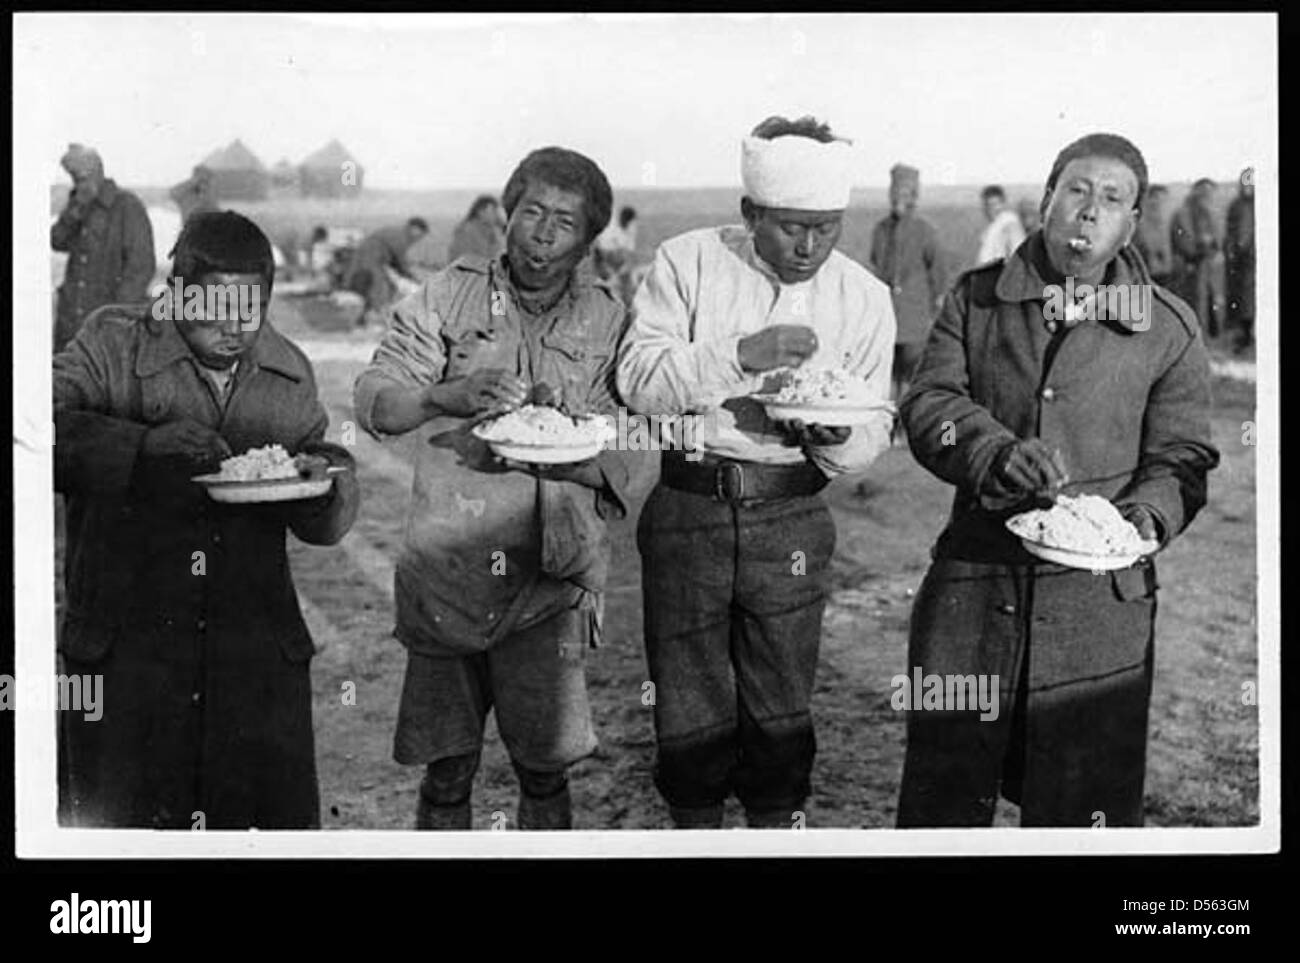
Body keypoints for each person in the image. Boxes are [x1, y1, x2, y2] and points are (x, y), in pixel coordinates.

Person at [896, 133, 1219, 827]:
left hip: (1098, 612)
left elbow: (1184, 456)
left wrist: (1142, 519)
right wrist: (990, 453)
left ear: (1132, 222)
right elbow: (928, 407)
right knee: (943, 802)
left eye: (1112, 199)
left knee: (1084, 810)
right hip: (975, 592)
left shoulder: (1169, 328)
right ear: (1046, 200)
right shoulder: (976, 299)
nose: (1089, 211)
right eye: (1077, 190)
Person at [617, 116, 896, 829]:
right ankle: (696, 833)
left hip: (792, 515)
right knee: (686, 702)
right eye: (791, 228)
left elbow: (875, 422)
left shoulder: (863, 295)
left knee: (781, 705)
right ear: (750, 213)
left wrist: (837, 436)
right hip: (690, 505)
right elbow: (639, 383)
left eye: (826, 229)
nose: (809, 248)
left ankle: (774, 832)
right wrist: (742, 354)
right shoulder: (688, 263)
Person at [353, 147, 630, 831]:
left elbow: (631, 445)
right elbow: (377, 400)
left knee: (545, 768)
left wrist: (574, 434)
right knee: (447, 769)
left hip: (550, 581)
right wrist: (443, 394)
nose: (543, 234)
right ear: (507, 215)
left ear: (588, 240)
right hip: (448, 571)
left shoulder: (607, 317)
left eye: (565, 222)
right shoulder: (451, 293)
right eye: (532, 212)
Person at [53, 211, 360, 828]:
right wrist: (141, 447)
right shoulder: (111, 345)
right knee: (124, 826)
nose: (235, 327)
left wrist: (320, 482)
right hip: (130, 651)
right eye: (215, 306)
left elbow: (324, 490)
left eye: (253, 308)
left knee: (254, 826)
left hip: (250, 655)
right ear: (175, 293)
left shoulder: (287, 370)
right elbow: (35, 427)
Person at [51, 143, 156, 352]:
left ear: (96, 173)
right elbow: (57, 240)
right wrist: (75, 210)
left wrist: (115, 318)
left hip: (109, 328)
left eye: (81, 177)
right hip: (70, 325)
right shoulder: (78, 204)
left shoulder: (127, 206)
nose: (78, 184)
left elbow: (141, 269)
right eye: (74, 178)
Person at [868, 164, 948, 412]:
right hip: (888, 313)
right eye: (894, 192)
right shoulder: (881, 230)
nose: (898, 199)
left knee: (912, 371)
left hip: (915, 315)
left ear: (914, 196)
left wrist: (936, 310)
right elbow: (876, 265)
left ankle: (910, 418)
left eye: (904, 193)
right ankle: (889, 419)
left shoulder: (926, 231)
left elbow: (938, 274)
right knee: (887, 371)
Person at [343, 217, 430, 326]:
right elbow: (400, 261)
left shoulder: (398, 234)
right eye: (420, 234)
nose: (419, 238)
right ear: (414, 229)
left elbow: (395, 262)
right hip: (371, 259)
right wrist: (412, 277)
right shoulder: (401, 237)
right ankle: (376, 317)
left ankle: (366, 317)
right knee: (379, 289)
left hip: (372, 260)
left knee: (381, 288)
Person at [1170, 178, 1221, 336]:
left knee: (1206, 300)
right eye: (1203, 191)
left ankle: (1205, 333)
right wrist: (1195, 251)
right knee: (1192, 300)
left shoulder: (1209, 213)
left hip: (1206, 264)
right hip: (1189, 264)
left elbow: (1217, 237)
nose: (1207, 195)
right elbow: (1180, 238)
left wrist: (1212, 246)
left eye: (1209, 192)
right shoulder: (1182, 213)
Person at [1224, 170, 1255, 354]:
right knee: (1243, 298)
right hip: (1240, 260)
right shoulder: (1236, 205)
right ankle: (1244, 335)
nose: (1248, 188)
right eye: (1245, 184)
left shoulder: (1262, 204)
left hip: (1254, 258)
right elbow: (1230, 230)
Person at [593, 205, 640, 302]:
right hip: (606, 257)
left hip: (607, 258)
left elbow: (628, 255)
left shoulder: (623, 232)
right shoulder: (617, 231)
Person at [976, 185, 1027, 265]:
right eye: (991, 205)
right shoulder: (994, 225)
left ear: (1004, 203)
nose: (996, 208)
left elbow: (1018, 250)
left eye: (998, 204)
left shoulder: (1009, 221)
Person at [448, 194, 507, 263]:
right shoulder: (468, 229)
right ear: (480, 211)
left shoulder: (492, 230)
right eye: (492, 210)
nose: (495, 214)